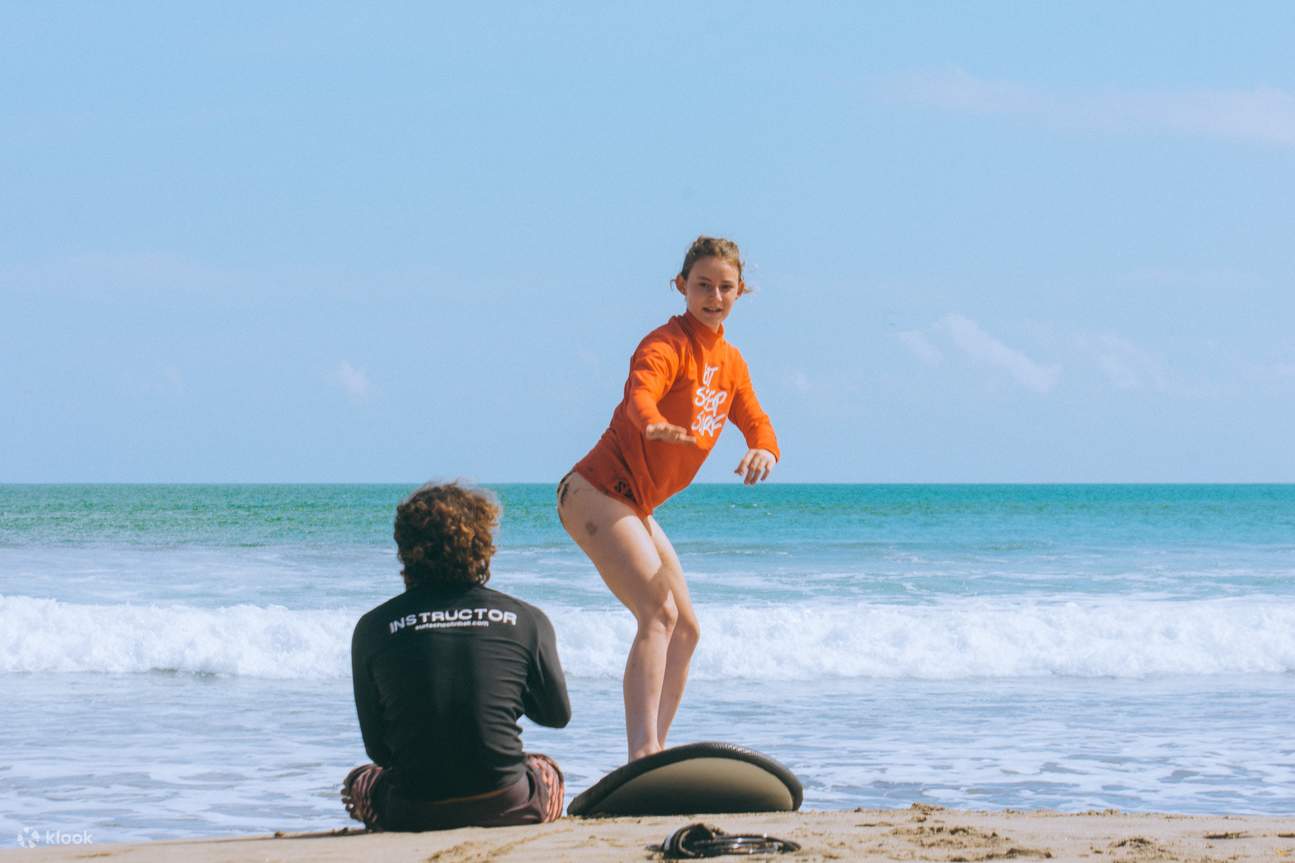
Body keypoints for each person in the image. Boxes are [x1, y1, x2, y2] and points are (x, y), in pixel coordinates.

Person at [556, 235, 779, 762]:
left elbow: (756, 419)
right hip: (594, 490)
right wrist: (652, 422)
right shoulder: (665, 344)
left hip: (636, 504)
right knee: (658, 612)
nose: (714, 297)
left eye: (725, 287)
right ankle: (643, 754)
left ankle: (655, 753)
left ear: (741, 292)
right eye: (702, 285)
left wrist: (764, 449)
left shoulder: (731, 362)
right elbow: (641, 392)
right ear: (681, 286)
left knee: (686, 630)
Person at [342, 482, 571, 831]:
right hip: (508, 804)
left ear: (405, 548)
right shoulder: (525, 619)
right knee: (545, 768)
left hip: (410, 811)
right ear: (483, 545)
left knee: (360, 779)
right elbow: (556, 716)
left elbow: (379, 751)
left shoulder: (373, 627)